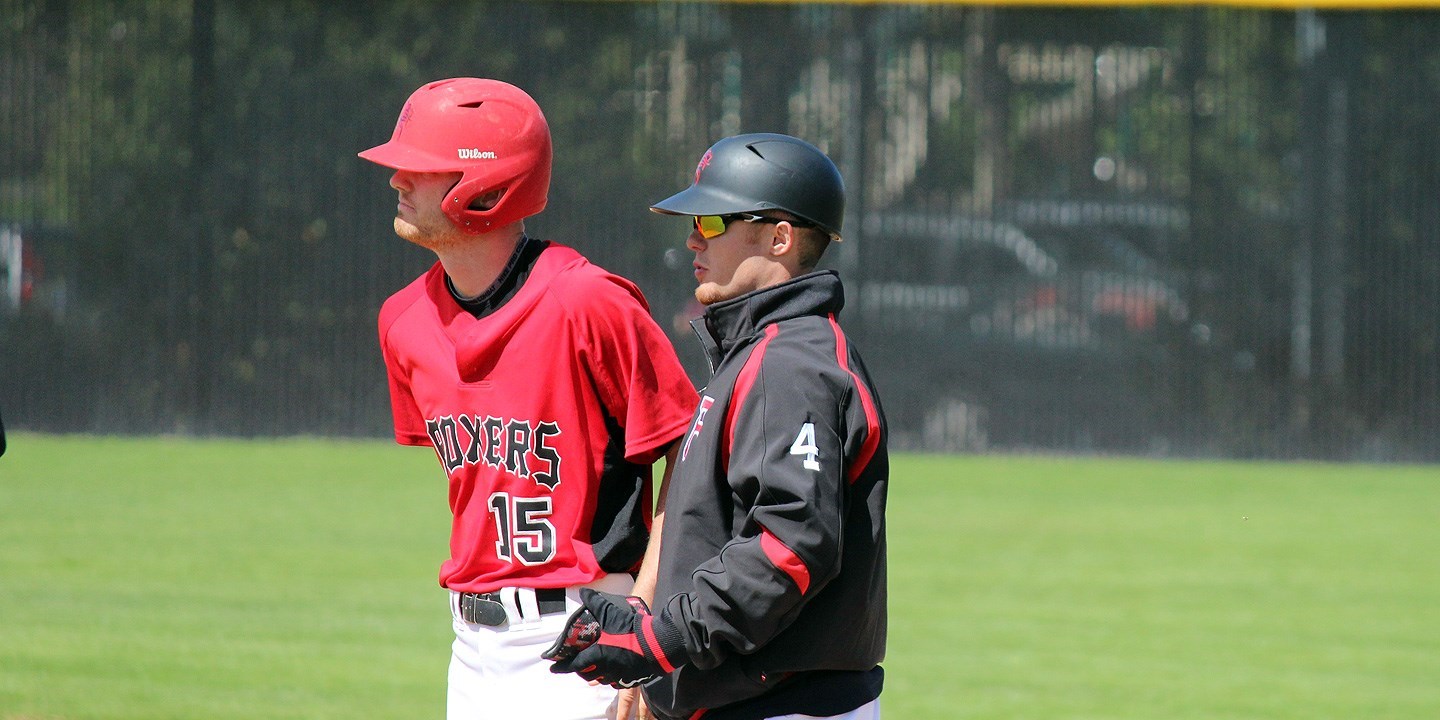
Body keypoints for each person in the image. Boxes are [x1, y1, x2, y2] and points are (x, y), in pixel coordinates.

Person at [358, 77, 698, 720]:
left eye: (422, 167)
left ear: (487, 185)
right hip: (471, 647)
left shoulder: (589, 303)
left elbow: (689, 452)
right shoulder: (403, 322)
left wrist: (644, 624)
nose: (398, 180)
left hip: (585, 632)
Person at [546, 133, 889, 720]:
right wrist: (647, 627)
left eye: (711, 221)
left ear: (780, 237)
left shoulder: (792, 364)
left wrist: (661, 641)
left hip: (782, 706)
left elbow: (791, 547)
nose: (691, 238)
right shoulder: (761, 351)